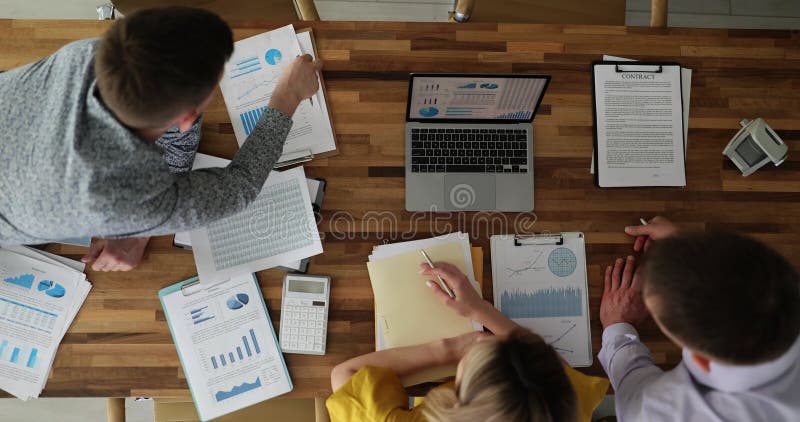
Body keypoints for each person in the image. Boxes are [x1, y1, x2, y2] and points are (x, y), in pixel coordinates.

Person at [0, 7, 322, 271]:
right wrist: (286, 98)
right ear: (185, 118)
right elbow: (240, 189)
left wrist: (138, 225)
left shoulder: (85, 54)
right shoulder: (125, 198)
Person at [327, 262, 610, 422]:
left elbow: (344, 375)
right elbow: (558, 371)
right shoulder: (559, 407)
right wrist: (480, 310)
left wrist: (448, 350)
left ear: (460, 402)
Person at [599, 216, 800, 421]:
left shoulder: (659, 413)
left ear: (701, 361)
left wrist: (618, 325)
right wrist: (687, 251)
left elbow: (632, 389)